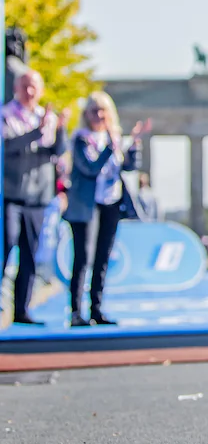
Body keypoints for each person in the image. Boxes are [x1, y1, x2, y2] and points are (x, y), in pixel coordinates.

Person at [63, 92, 150, 327]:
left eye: (103, 111)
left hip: (111, 203)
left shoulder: (115, 138)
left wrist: (134, 146)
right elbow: (89, 168)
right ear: (86, 115)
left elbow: (129, 167)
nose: (99, 115)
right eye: (94, 111)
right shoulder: (81, 139)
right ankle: (75, 311)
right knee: (83, 257)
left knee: (103, 258)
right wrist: (110, 148)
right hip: (86, 206)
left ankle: (96, 309)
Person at [2, 70, 66, 326]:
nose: (29, 92)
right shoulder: (5, 115)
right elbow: (6, 147)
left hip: (38, 197)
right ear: (16, 88)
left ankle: (22, 308)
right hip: (11, 195)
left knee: (31, 253)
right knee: (5, 246)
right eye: (24, 87)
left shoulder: (47, 118)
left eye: (33, 88)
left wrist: (59, 130)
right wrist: (34, 134)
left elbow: (58, 152)